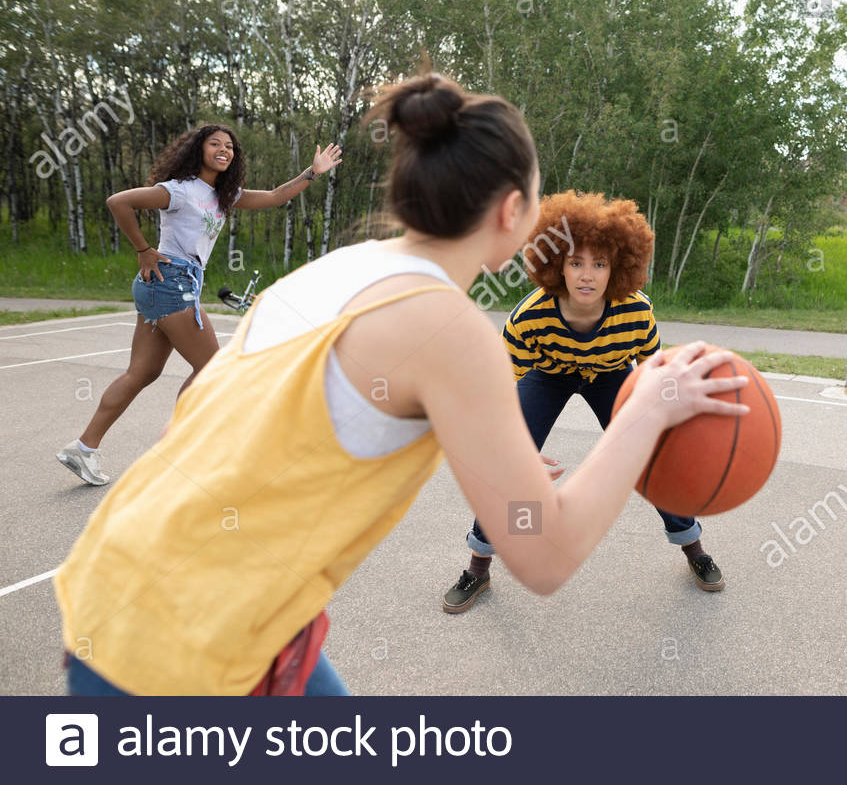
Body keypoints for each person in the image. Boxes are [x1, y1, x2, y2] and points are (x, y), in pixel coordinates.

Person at [54, 73, 748, 695]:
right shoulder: (452, 329)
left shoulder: (335, 272)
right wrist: (646, 411)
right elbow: (546, 555)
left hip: (128, 582)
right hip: (181, 648)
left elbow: (221, 416)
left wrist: (466, 436)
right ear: (512, 212)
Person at [442, 190, 724, 614]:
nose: (587, 275)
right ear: (557, 266)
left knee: (652, 459)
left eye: (600, 264)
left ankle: (694, 549)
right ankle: (477, 568)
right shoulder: (528, 317)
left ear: (618, 268)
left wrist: (667, 423)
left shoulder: (636, 313)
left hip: (611, 374)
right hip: (549, 373)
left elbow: (655, 377)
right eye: (576, 263)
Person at [54, 124, 342, 486]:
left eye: (230, 146)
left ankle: (83, 449)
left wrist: (312, 173)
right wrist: (144, 250)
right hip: (170, 282)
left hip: (163, 286)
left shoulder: (221, 194)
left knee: (141, 373)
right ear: (198, 149)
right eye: (215, 144)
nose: (224, 150)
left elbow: (273, 196)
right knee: (212, 369)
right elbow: (119, 202)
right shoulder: (180, 190)